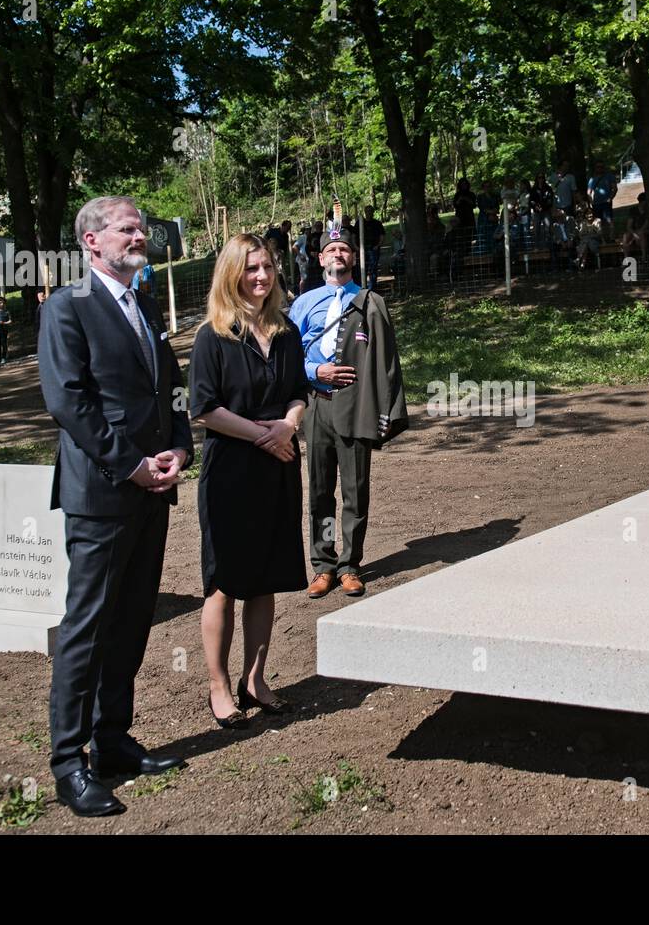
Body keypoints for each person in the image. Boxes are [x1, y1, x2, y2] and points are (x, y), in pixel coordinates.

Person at [38, 195, 192, 817]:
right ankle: (68, 763)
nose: (140, 236)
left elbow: (171, 388)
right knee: (88, 628)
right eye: (127, 228)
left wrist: (179, 447)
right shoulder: (65, 308)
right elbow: (69, 402)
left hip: (155, 488)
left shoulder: (146, 304)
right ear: (91, 241)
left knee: (132, 619)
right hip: (102, 494)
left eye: (142, 228)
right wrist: (129, 464)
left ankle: (112, 741)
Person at [189, 234, 309, 728]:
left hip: (280, 463)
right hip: (232, 472)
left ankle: (255, 679)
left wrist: (289, 425)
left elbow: (299, 391)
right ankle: (219, 686)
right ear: (231, 274)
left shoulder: (286, 331)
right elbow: (205, 409)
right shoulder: (212, 336)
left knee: (266, 581)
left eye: (267, 267)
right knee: (224, 582)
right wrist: (264, 435)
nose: (261, 277)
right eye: (250, 268)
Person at [288, 220, 408, 599]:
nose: (338, 255)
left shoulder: (371, 302)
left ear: (353, 258)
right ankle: (323, 565)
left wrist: (386, 409)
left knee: (356, 492)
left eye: (345, 250)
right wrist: (313, 370)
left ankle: (350, 564)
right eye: (331, 250)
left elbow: (387, 361)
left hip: (355, 406)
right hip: (317, 406)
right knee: (321, 492)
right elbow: (287, 357)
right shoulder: (304, 303)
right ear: (320, 257)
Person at [588, 160, 618, 228]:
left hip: (606, 202)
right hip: (596, 204)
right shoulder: (592, 179)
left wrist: (610, 198)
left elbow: (615, 188)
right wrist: (592, 203)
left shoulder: (609, 176)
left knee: (609, 220)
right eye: (598, 167)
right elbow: (588, 193)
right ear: (595, 168)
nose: (600, 168)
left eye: (602, 167)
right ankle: (601, 238)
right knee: (598, 222)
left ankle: (611, 237)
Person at [360, 205, 385, 287]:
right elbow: (354, 236)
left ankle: (372, 288)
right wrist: (357, 247)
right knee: (363, 269)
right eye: (367, 211)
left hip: (373, 249)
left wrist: (378, 246)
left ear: (373, 212)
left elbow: (382, 236)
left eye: (371, 211)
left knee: (373, 269)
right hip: (362, 250)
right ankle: (363, 288)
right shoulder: (360, 223)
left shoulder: (377, 223)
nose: (369, 213)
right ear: (365, 212)